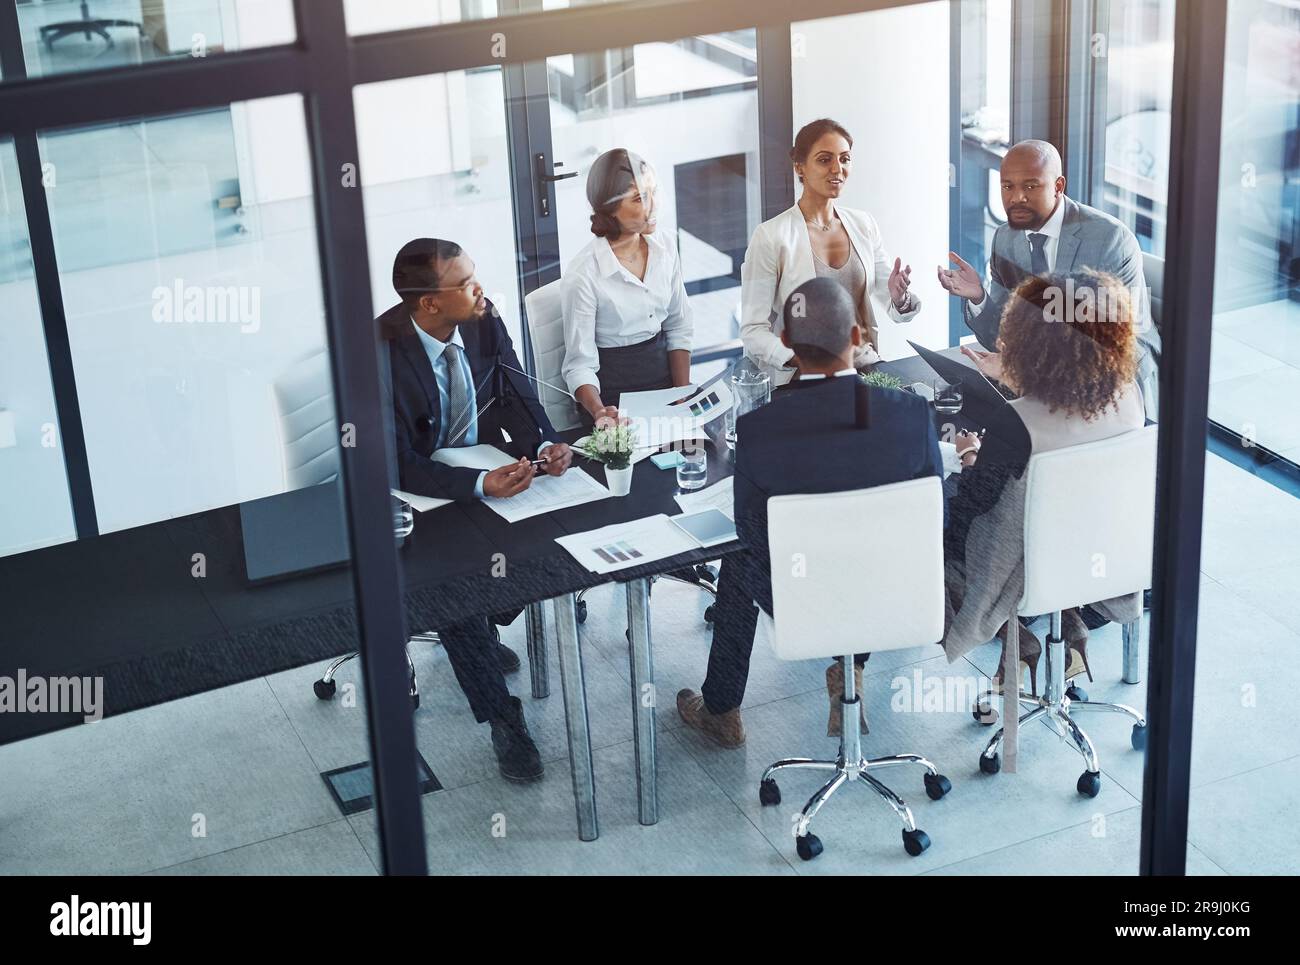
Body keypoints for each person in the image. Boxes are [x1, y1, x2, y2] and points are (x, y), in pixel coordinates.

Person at [676, 278, 943, 748]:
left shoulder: (761, 430)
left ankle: (722, 710)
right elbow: (933, 519)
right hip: (897, 595)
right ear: (858, 337)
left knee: (739, 557)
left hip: (805, 605)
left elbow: (753, 536)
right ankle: (852, 662)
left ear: (786, 346)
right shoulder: (911, 414)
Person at [378, 237, 575, 783]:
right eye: (464, 283)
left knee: (540, 552)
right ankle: (504, 719)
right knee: (458, 594)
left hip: (484, 471)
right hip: (416, 494)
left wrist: (545, 444)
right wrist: (480, 484)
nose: (480, 289)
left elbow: (519, 392)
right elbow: (395, 462)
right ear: (430, 305)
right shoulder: (375, 350)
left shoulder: (484, 320)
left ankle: (482, 623)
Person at [943, 269, 1145, 694]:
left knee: (940, 531)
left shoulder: (1016, 423)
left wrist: (967, 455)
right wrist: (1020, 381)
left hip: (1026, 567)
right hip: (1103, 551)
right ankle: (1070, 631)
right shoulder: (1131, 392)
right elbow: (1070, 414)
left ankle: (1017, 639)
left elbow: (972, 507)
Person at [937, 138, 1160, 420]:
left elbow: (1110, 345)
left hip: (1115, 387)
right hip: (1046, 380)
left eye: (1030, 186)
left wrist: (1022, 372)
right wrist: (979, 297)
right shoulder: (1006, 238)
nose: (1016, 197)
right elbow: (1004, 335)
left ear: (1058, 186)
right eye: (1008, 186)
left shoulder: (1109, 240)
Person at [739, 118, 919, 387]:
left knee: (916, 411)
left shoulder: (863, 224)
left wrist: (899, 296)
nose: (838, 169)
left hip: (865, 366)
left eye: (845, 159)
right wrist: (802, 360)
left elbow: (897, 309)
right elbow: (753, 330)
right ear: (799, 167)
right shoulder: (771, 237)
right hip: (806, 375)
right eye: (824, 160)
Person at [561, 149, 693, 426]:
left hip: (668, 388)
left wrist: (682, 397)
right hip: (614, 401)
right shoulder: (583, 274)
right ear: (609, 210)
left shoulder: (666, 245)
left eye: (653, 192)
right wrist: (600, 412)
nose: (653, 206)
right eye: (639, 198)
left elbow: (679, 327)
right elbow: (579, 366)